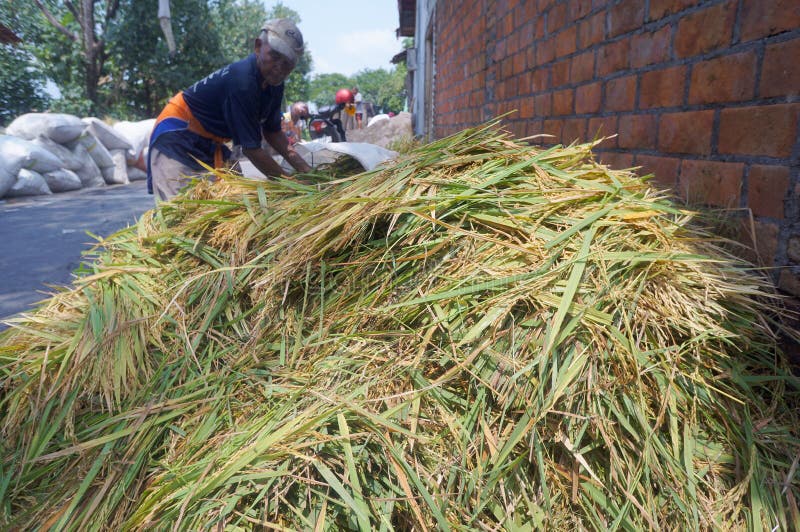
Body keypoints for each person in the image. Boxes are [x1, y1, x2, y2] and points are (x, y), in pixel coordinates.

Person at [147, 18, 312, 201]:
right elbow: (251, 149)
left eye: (287, 63)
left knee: (236, 200)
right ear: (258, 47)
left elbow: (272, 132)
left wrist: (307, 171)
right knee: (180, 208)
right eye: (274, 55)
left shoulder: (275, 85)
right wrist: (291, 184)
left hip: (211, 141)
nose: (279, 67)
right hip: (179, 134)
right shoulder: (243, 81)